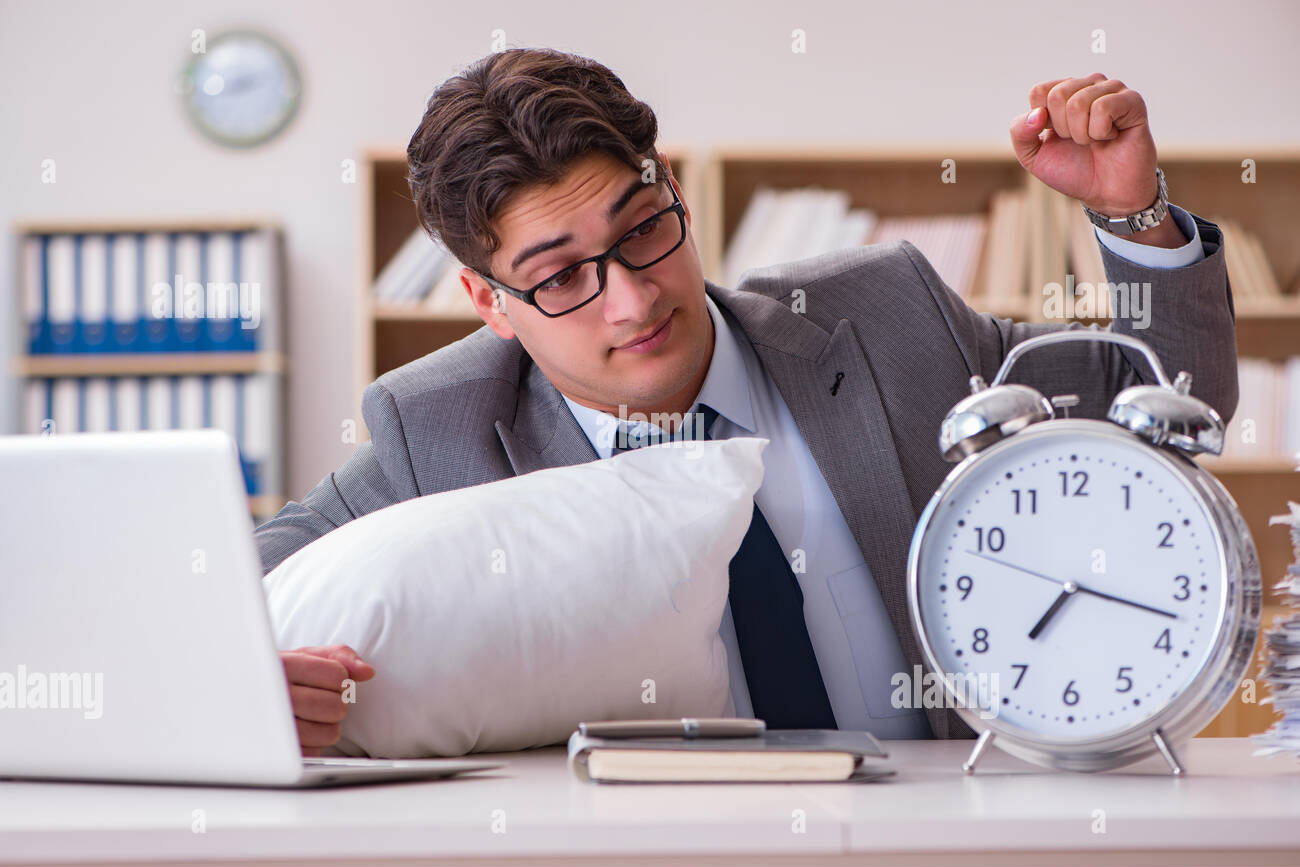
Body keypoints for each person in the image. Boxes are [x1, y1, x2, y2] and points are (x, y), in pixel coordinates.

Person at [260, 48, 1238, 755]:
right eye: (560, 278)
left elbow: (1162, 405)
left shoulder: (881, 313)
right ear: (488, 303)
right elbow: (217, 596)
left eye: (644, 229)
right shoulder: (437, 426)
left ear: (674, 189)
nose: (633, 298)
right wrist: (251, 686)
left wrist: (1132, 213)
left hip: (948, 836)